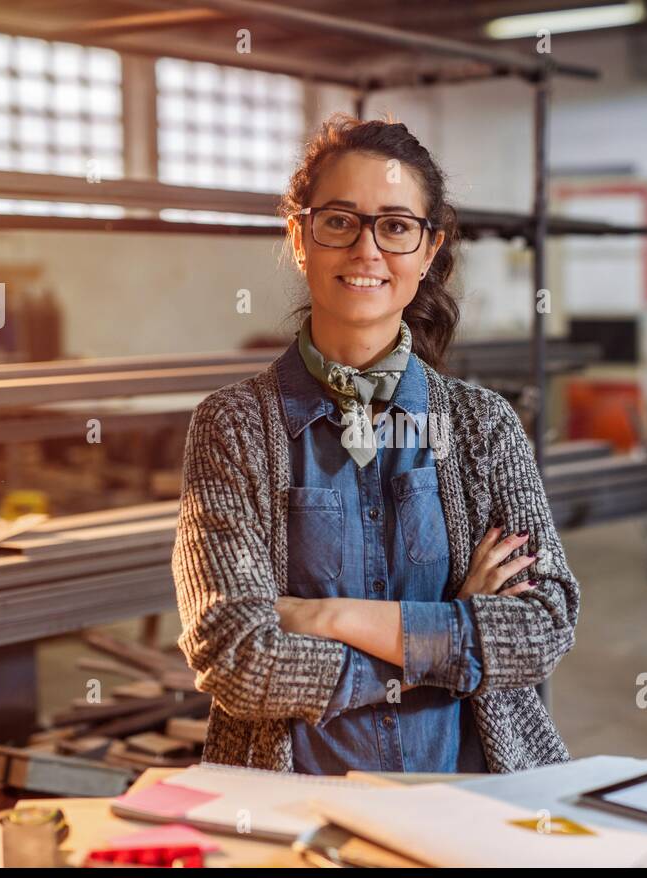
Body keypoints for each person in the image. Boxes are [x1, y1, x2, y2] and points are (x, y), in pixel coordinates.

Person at [172, 114, 580, 773]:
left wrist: (326, 614)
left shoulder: (483, 428)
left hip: (470, 800)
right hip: (292, 812)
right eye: (340, 220)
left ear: (427, 250)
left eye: (395, 226)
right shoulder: (235, 427)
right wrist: (450, 630)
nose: (367, 250)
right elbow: (236, 657)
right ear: (300, 238)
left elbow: (543, 626)